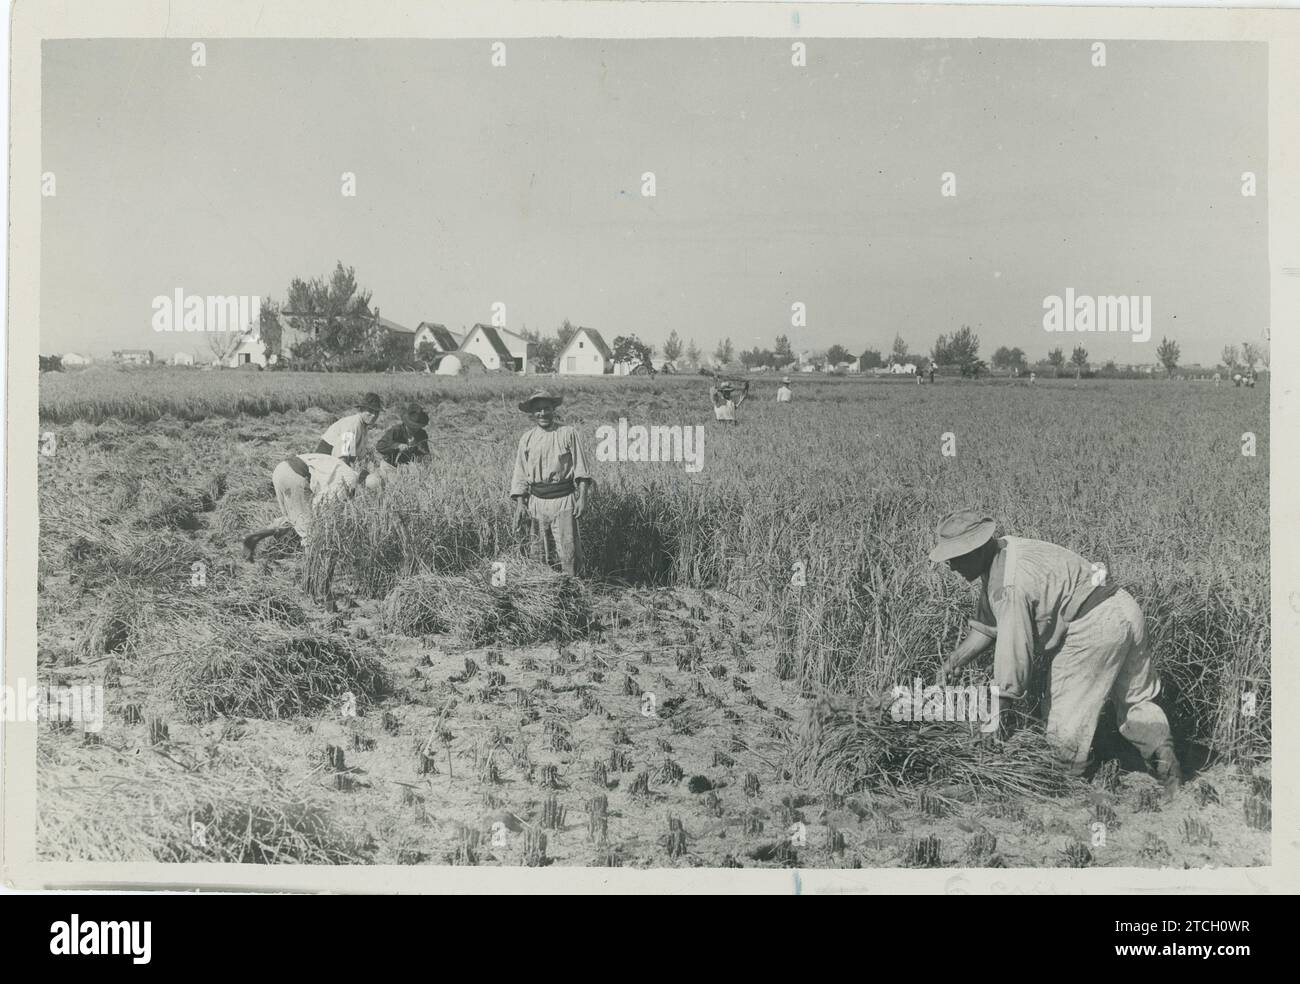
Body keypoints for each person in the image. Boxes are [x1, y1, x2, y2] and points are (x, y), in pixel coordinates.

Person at [930, 509, 1181, 797]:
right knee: (1135, 700)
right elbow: (989, 626)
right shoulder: (1007, 549)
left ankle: (1066, 789)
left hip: (1093, 626)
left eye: (956, 557)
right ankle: (1168, 768)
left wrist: (995, 719)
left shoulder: (1010, 584)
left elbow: (1014, 656)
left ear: (977, 549)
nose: (952, 566)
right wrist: (954, 661)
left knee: (1064, 726)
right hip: (1122, 607)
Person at [510, 390, 593, 576]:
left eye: (546, 408)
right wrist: (520, 504)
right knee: (539, 551)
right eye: (538, 410)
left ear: (553, 409)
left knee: (568, 551)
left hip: (564, 501)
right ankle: (544, 589)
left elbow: (581, 468)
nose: (543, 413)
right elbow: (520, 473)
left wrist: (582, 498)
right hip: (536, 503)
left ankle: (572, 587)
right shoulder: (527, 439)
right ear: (532, 413)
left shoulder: (568, 433)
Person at [242, 452, 364, 560]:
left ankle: (254, 537)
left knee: (293, 519)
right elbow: (320, 505)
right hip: (295, 476)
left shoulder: (345, 472)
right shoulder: (349, 481)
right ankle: (310, 570)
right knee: (310, 532)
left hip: (283, 470)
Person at [318, 393, 383, 466]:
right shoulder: (352, 425)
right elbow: (341, 456)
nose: (374, 415)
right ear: (361, 409)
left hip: (335, 460)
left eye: (377, 412)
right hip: (323, 460)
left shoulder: (363, 427)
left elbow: (355, 454)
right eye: (370, 411)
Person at [374, 402, 430, 480]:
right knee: (394, 482)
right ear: (406, 423)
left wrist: (417, 448)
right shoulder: (396, 431)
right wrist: (397, 445)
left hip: (409, 467)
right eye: (412, 427)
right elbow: (380, 446)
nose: (415, 429)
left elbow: (425, 454)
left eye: (417, 427)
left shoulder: (422, 434)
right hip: (390, 466)